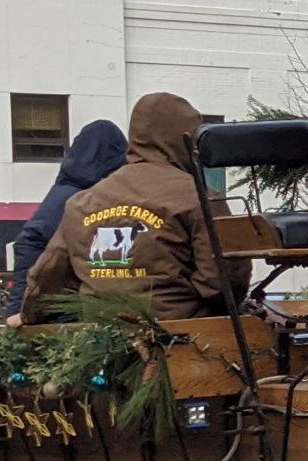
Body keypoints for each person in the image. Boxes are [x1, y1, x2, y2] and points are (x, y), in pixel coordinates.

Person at [19, 92, 248, 323]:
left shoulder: (82, 202)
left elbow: (49, 278)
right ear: (187, 140)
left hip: (101, 334)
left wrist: (28, 316)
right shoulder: (201, 198)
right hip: (184, 333)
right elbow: (222, 282)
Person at [4, 119, 127, 326]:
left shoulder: (66, 190)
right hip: (61, 309)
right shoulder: (82, 198)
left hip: (51, 305)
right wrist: (22, 309)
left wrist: (19, 307)